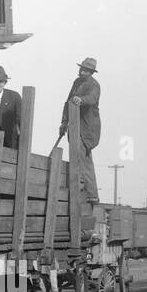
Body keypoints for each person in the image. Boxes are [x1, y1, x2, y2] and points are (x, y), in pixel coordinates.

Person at [59, 56, 101, 207]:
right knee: (85, 161)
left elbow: (92, 98)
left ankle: (83, 192)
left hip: (87, 129)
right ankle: (92, 195)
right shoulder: (76, 83)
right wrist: (64, 122)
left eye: (86, 70)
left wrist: (81, 100)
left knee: (80, 160)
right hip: (75, 126)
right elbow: (68, 102)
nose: (82, 71)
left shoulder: (94, 85)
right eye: (82, 68)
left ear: (91, 73)